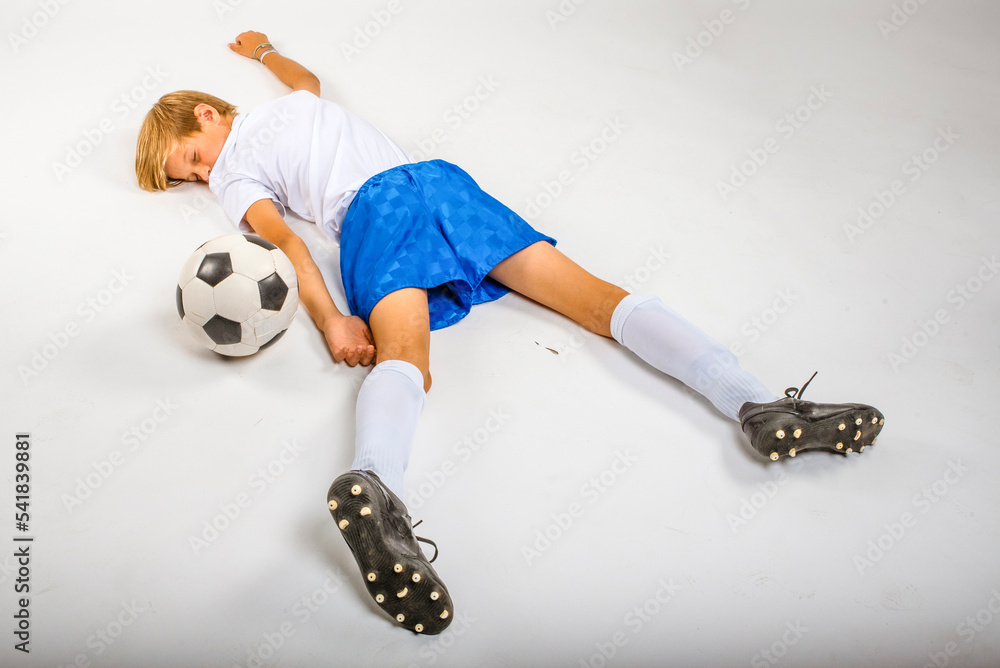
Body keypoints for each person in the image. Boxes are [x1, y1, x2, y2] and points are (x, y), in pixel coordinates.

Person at [135, 31, 884, 636]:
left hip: (398, 203)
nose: (205, 178)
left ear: (206, 113)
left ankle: (379, 484)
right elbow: (288, 241)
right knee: (584, 303)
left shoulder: (272, 120)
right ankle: (755, 404)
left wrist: (264, 54)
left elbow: (303, 88)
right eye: (189, 180)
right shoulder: (250, 161)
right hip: (427, 188)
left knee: (455, 341)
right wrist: (330, 316)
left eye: (192, 162)